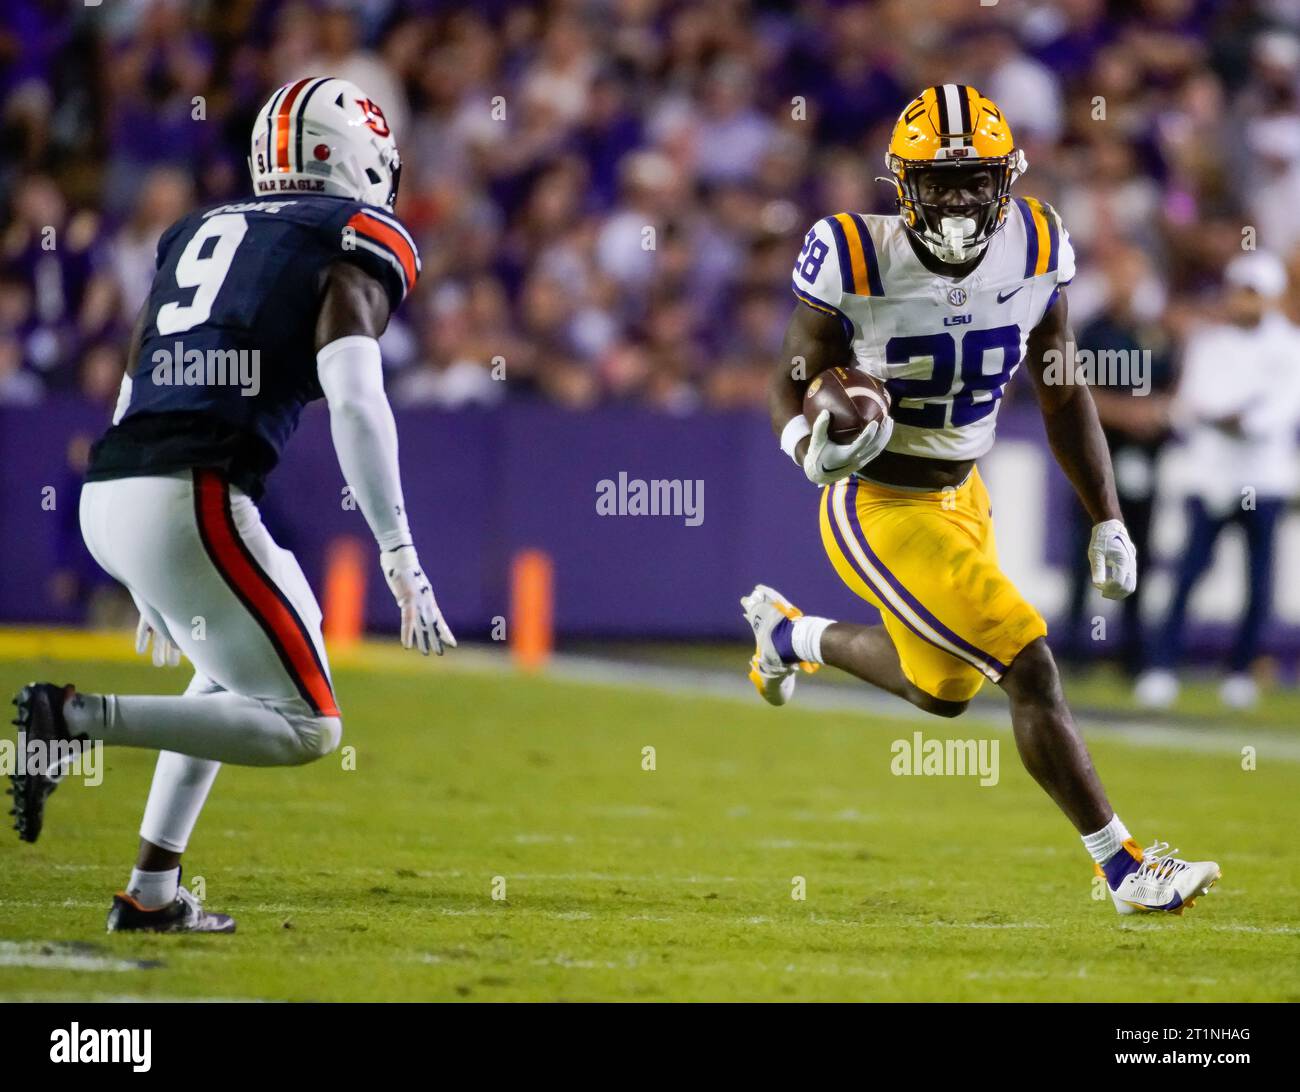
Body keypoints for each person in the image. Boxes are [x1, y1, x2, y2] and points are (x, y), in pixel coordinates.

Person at [743, 85, 1218, 915]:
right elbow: (791, 379)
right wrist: (803, 448)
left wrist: (1106, 515)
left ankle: (789, 634)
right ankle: (1125, 867)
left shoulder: (1035, 241)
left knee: (945, 690)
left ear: (1007, 178)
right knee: (1027, 661)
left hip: (965, 491)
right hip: (879, 502)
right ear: (903, 184)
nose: (960, 200)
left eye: (975, 179)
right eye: (940, 181)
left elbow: (1064, 391)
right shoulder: (856, 255)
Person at [8, 78, 456, 932]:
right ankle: (72, 718)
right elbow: (358, 402)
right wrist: (400, 554)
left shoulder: (198, 230)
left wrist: (143, 564)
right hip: (191, 496)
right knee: (309, 722)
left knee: (226, 668)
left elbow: (135, 375)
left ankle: (152, 893)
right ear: (356, 158)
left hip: (115, 489)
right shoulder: (351, 238)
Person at [1135, 251, 1300, 710]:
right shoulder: (1209, 344)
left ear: (1270, 297)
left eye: (1254, 292)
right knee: (1188, 575)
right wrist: (1232, 412)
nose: (1244, 301)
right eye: (1240, 290)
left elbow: (1275, 416)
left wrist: (1235, 415)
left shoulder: (1290, 346)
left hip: (1263, 482)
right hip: (1210, 478)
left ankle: (1241, 671)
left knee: (1258, 582)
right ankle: (1162, 667)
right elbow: (1192, 406)